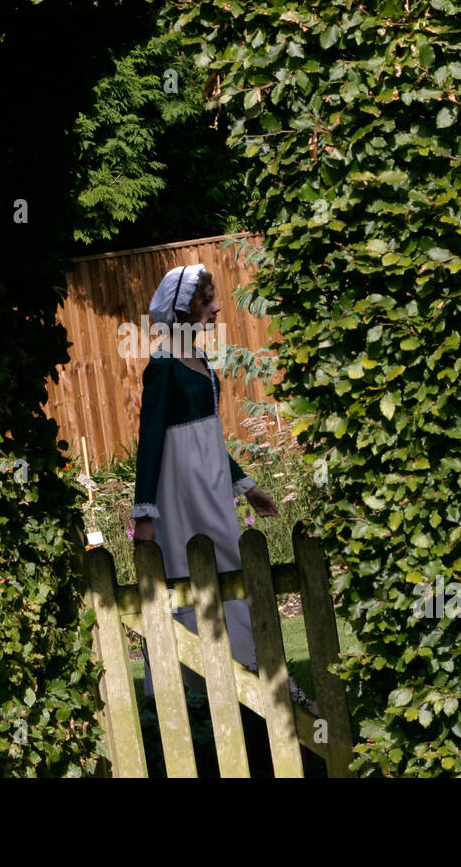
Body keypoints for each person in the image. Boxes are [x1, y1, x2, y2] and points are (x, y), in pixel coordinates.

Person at [130, 263, 280, 696]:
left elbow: (210, 435)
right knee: (193, 568)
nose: (216, 307)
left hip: (210, 480)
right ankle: (198, 687)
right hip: (182, 487)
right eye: (206, 301)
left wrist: (246, 486)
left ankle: (247, 671)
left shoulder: (198, 355)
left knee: (229, 561)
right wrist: (145, 511)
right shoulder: (163, 364)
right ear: (183, 309)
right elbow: (151, 439)